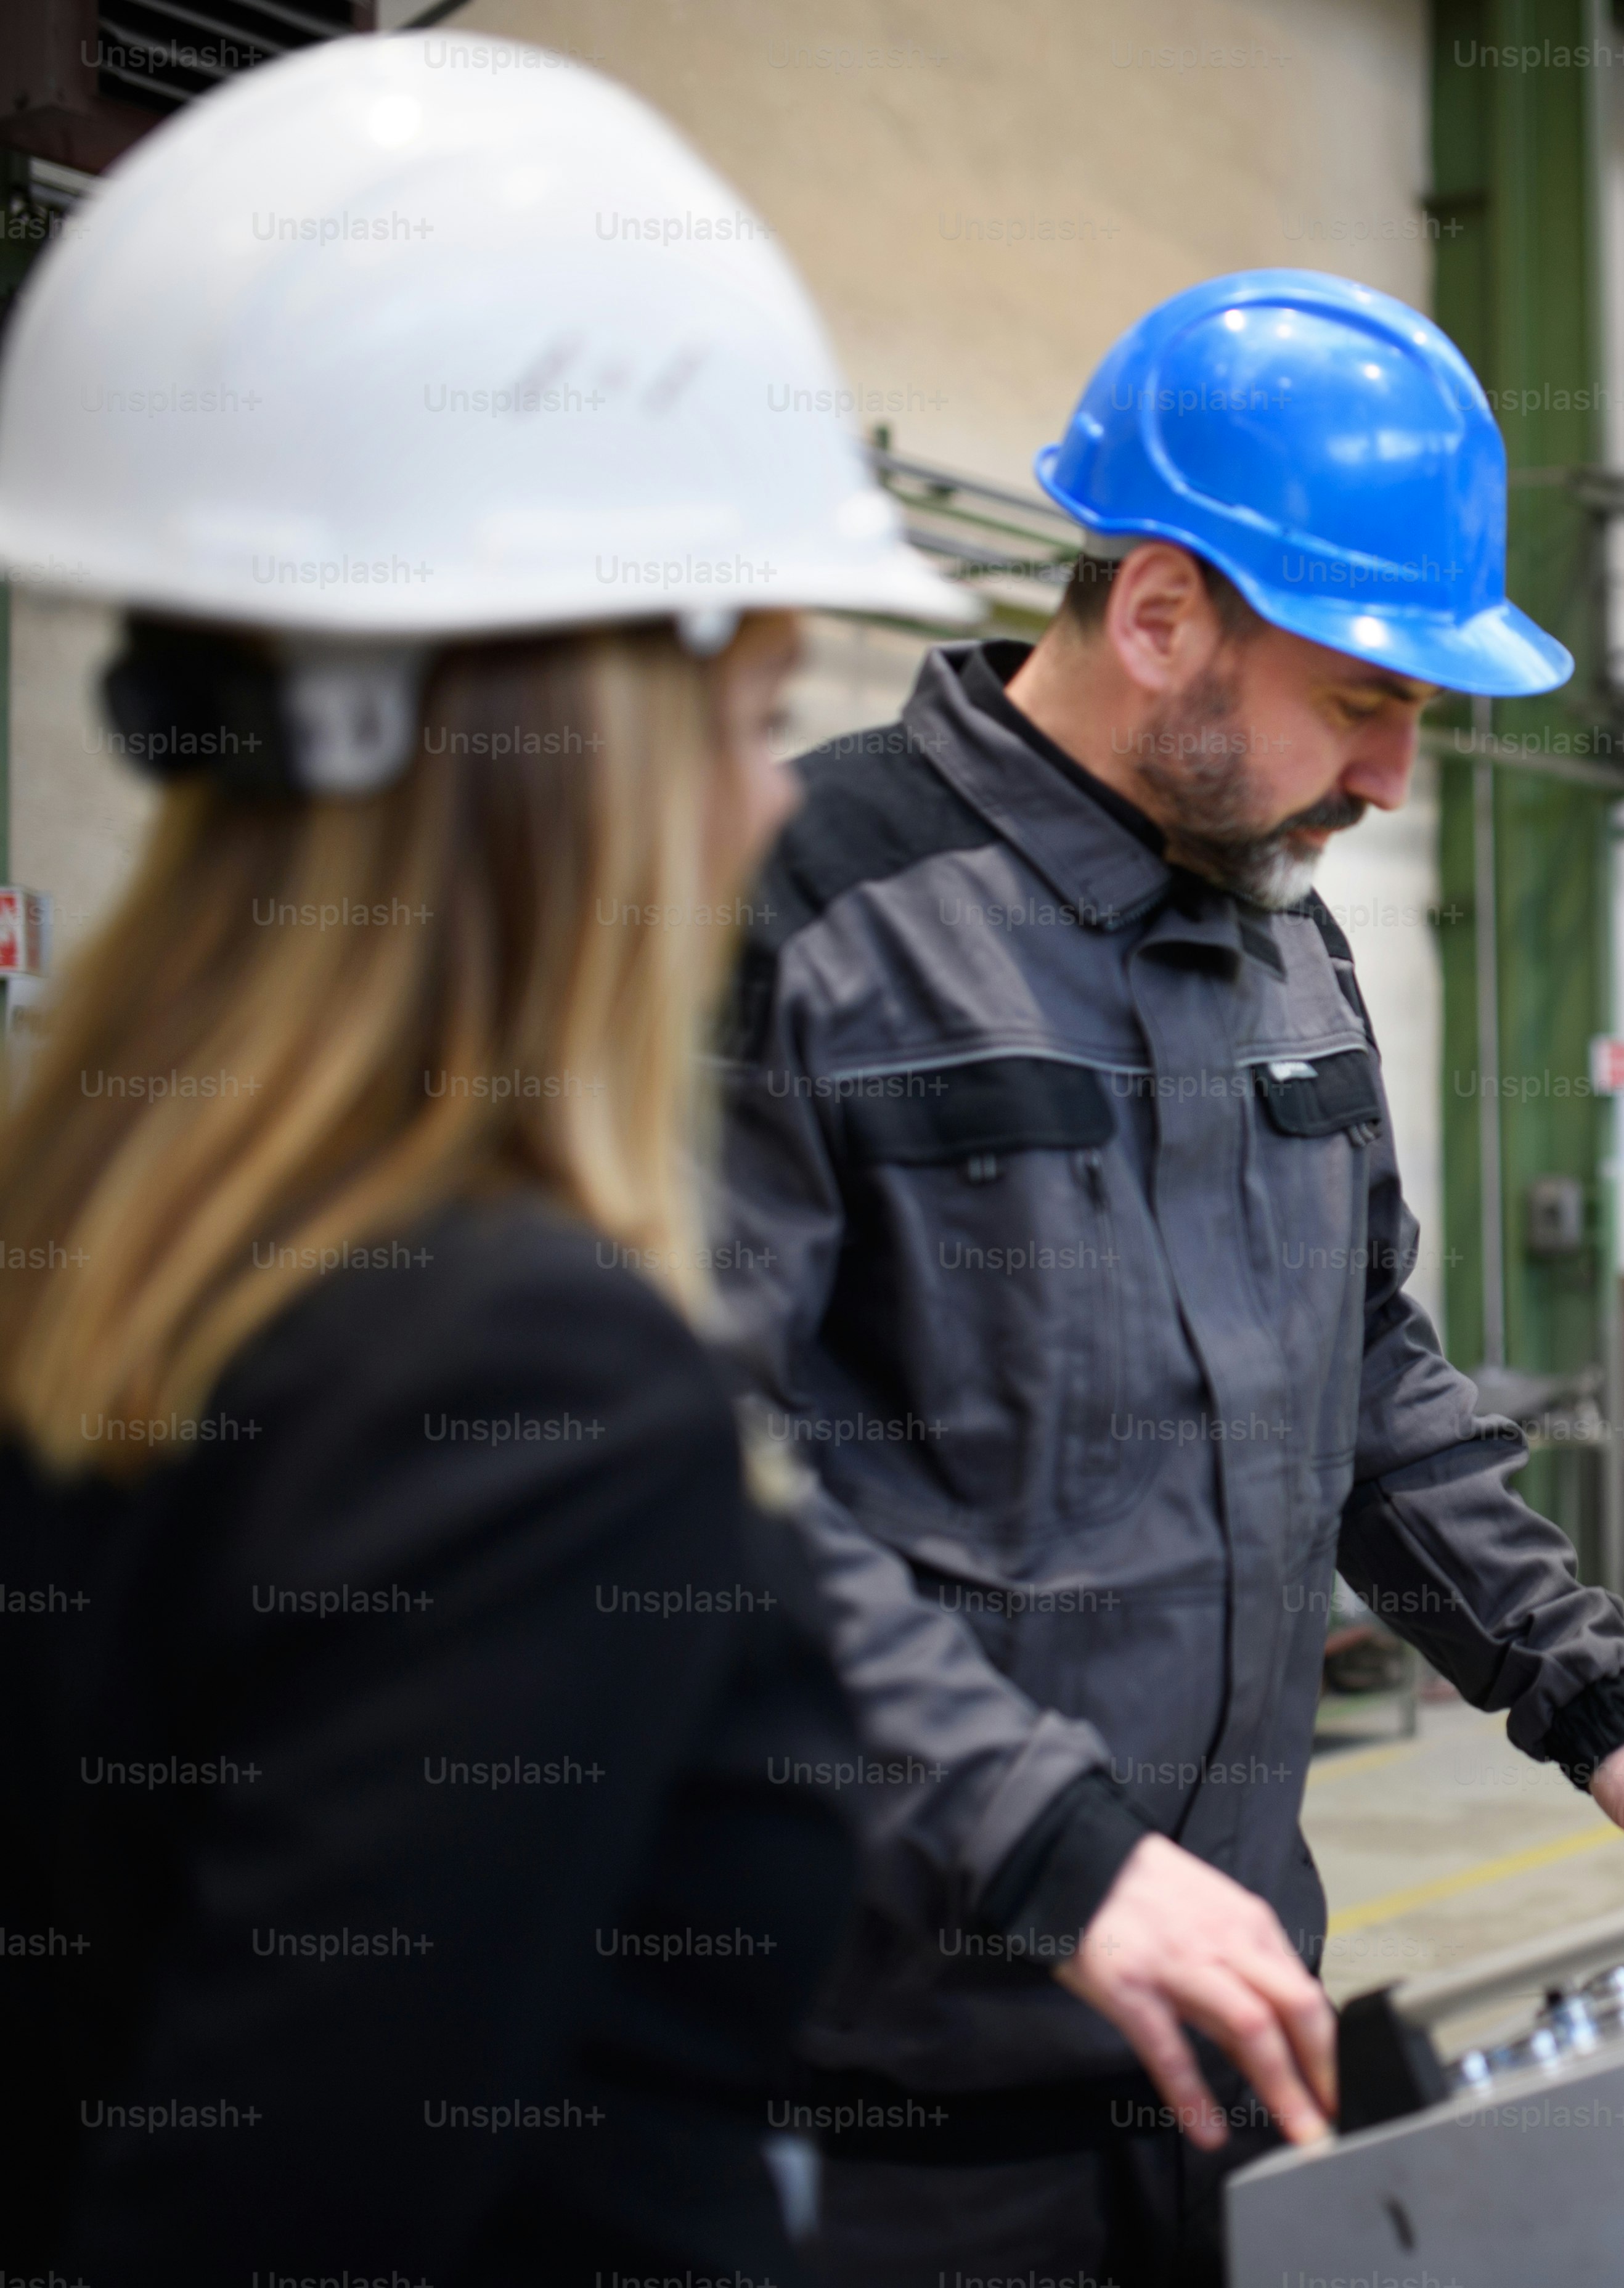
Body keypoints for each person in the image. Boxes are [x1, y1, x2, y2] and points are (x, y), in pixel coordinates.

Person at [0, 34, 971, 2274]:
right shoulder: (526, 1382)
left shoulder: (105, 1271)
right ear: (572, 775)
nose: (768, 807)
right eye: (741, 726)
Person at [712, 267, 1624, 2278]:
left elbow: (1367, 1387)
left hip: (1218, 2029)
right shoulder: (809, 909)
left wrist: (1598, 1704)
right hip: (875, 2099)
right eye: (1363, 696)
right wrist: (1052, 1846)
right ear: (1160, 614)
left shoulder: (1291, 950)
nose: (1390, 776)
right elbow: (692, 1481)